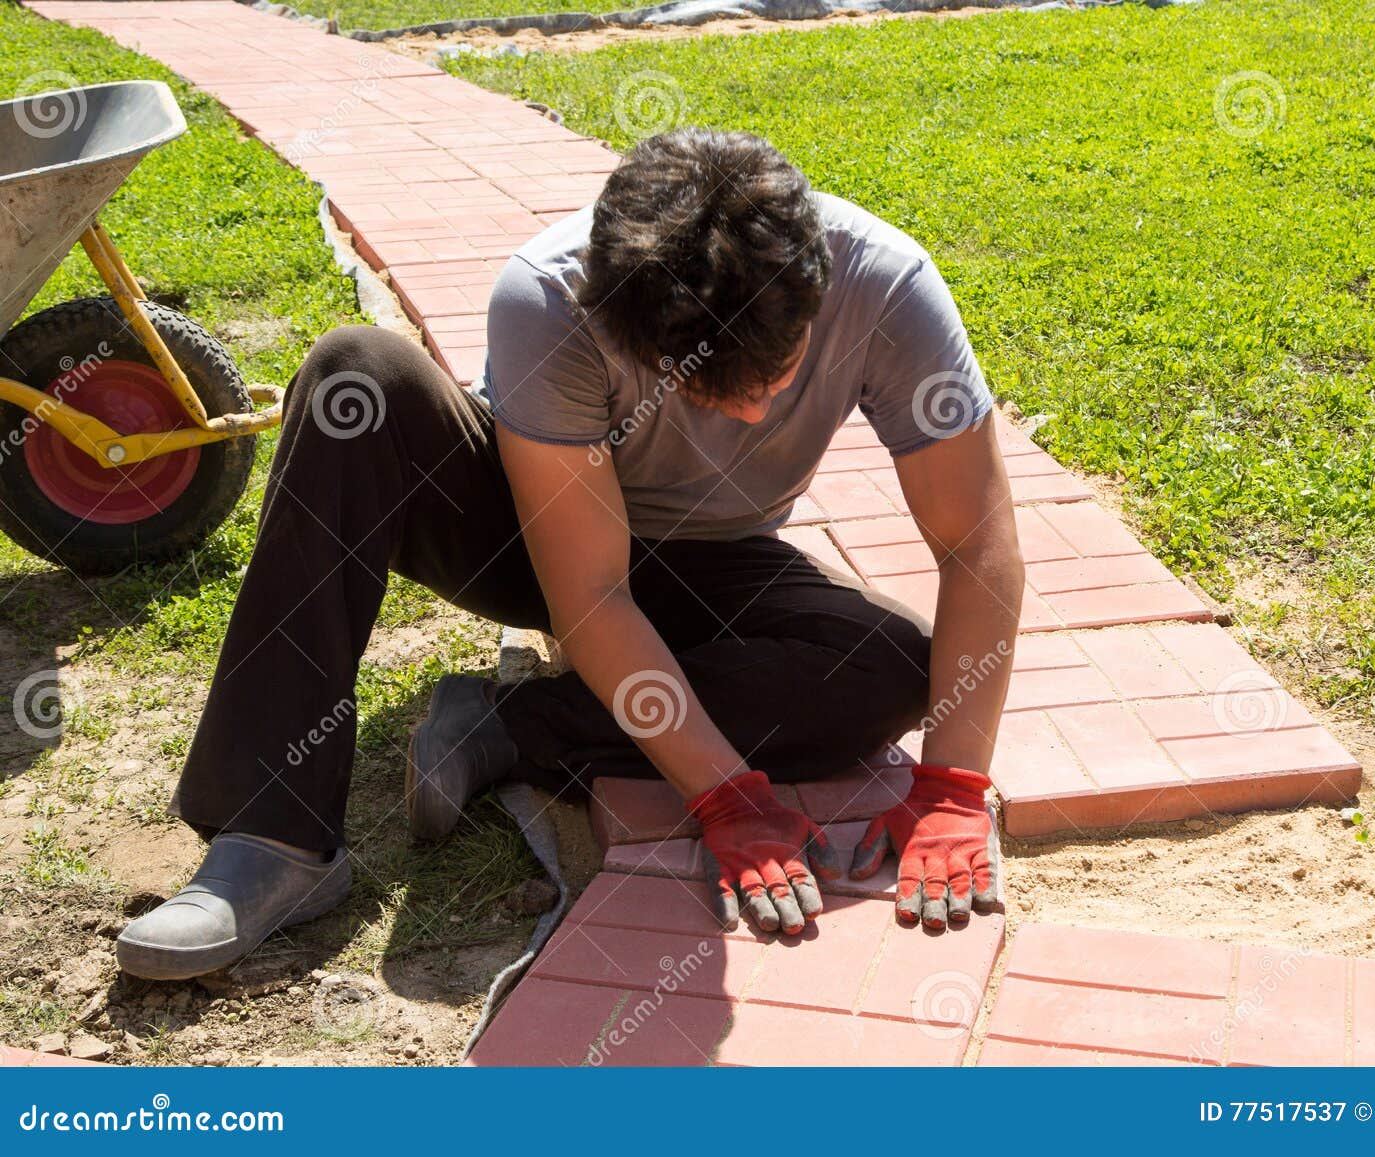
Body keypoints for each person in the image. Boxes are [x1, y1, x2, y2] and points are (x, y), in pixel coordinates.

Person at [115, 128, 1024, 981]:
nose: (750, 413)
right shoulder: (550, 294)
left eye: (772, 376)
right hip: (526, 531)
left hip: (710, 552)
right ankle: (271, 834)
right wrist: (724, 792)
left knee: (890, 666)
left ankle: (509, 726)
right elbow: (589, 591)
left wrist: (952, 785)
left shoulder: (887, 286)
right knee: (357, 375)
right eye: (711, 387)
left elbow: (975, 539)